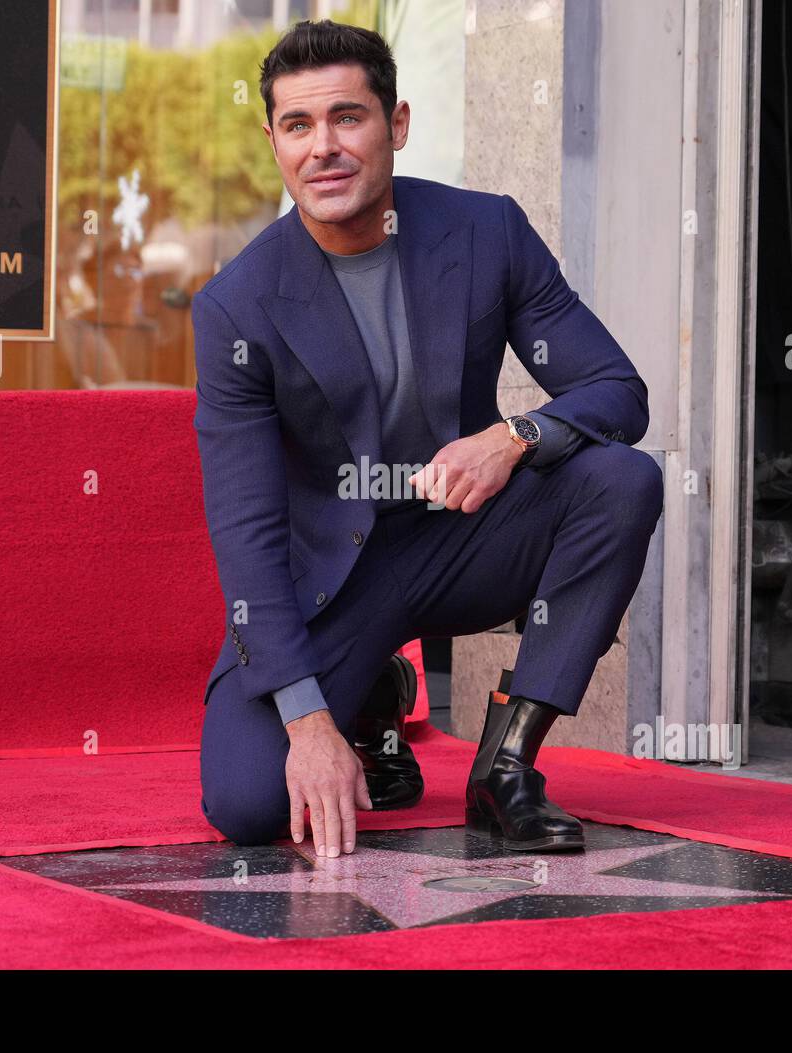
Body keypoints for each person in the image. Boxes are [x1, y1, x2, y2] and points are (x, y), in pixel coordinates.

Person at [193, 18, 662, 860]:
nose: (323, 148)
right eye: (298, 126)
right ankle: (373, 692)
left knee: (621, 480)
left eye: (348, 117)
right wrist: (307, 724)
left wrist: (514, 436)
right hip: (336, 582)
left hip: (466, 536)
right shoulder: (237, 307)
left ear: (396, 124)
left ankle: (507, 765)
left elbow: (616, 392)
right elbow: (247, 529)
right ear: (273, 142)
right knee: (248, 805)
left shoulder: (486, 233)